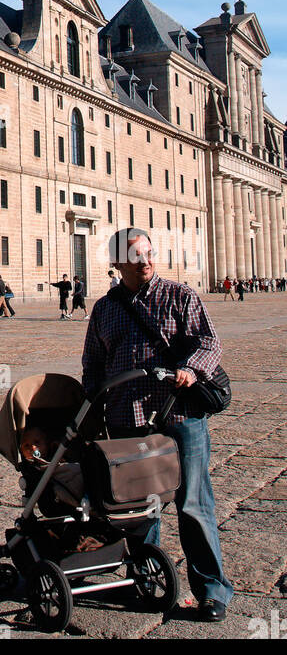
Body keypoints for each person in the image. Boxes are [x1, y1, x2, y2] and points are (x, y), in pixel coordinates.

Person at [82, 227, 233, 623]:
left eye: (149, 254)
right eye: (135, 257)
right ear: (116, 263)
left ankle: (212, 591)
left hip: (180, 417)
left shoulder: (180, 296)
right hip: (127, 422)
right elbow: (93, 365)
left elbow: (209, 343)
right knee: (138, 508)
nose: (145, 262)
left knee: (194, 504)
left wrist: (190, 369)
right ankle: (145, 581)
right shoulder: (104, 309)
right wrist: (92, 407)